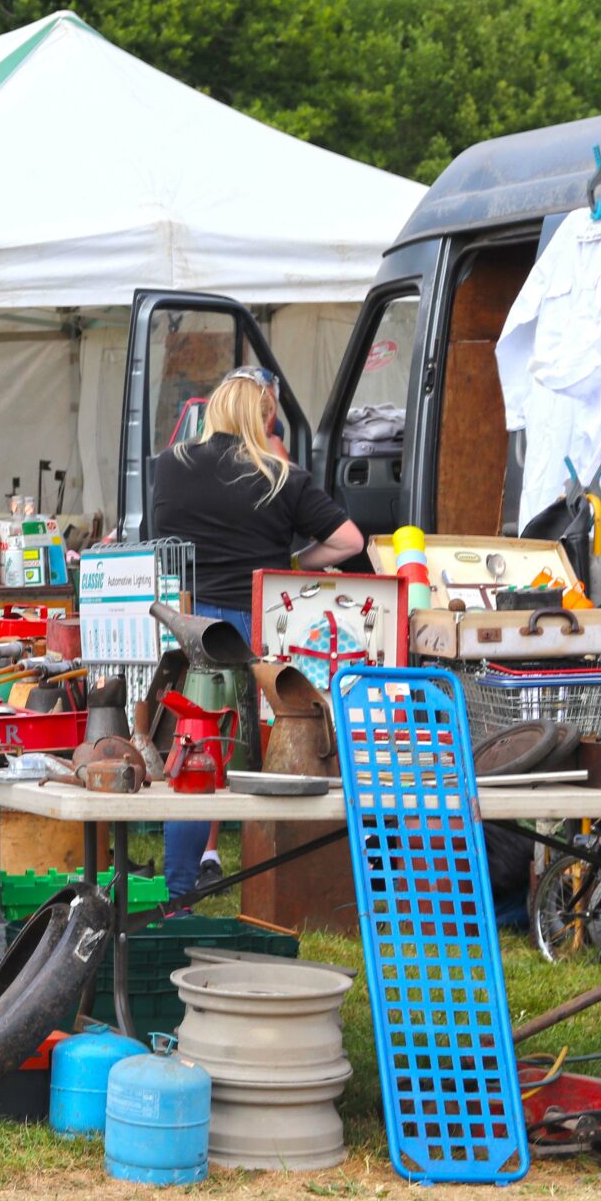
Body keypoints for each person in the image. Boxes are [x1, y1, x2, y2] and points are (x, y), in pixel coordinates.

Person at [148, 366, 363, 898]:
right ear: (266, 419)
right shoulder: (280, 476)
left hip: (188, 622)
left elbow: (160, 539)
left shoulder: (170, 467)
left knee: (193, 757)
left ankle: (179, 893)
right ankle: (273, 888)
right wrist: (292, 560)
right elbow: (349, 541)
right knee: (266, 753)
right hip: (255, 626)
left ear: (212, 409)